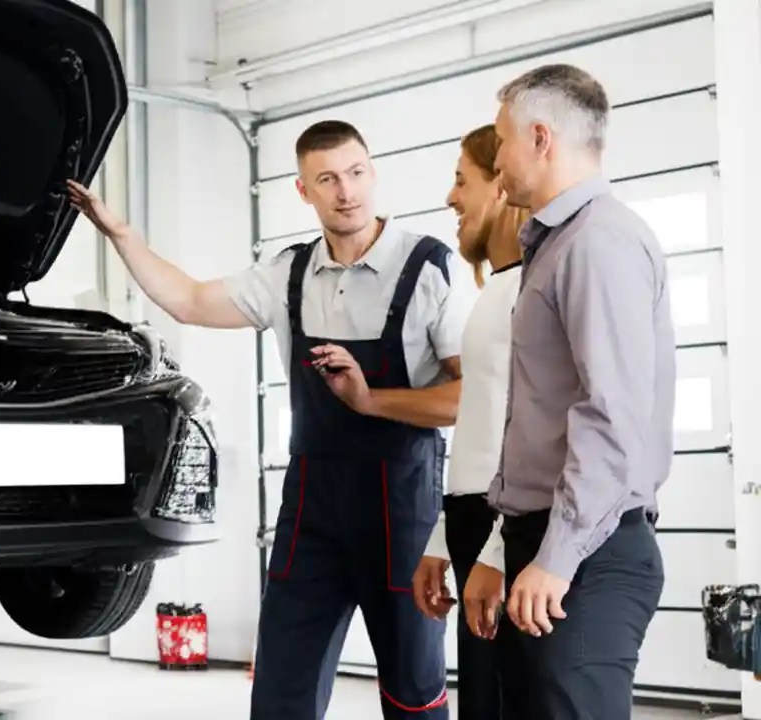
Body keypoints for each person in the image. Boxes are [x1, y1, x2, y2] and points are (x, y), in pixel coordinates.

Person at [68, 120, 472, 720]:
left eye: (357, 172)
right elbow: (191, 300)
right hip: (312, 505)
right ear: (304, 190)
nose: (347, 191)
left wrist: (372, 401)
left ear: (373, 171)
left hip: (402, 506)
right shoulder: (289, 273)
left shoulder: (428, 267)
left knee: (413, 688)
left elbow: (471, 398)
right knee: (282, 687)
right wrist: (123, 236)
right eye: (328, 179)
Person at [483, 63, 674, 719]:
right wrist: (504, 548)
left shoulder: (598, 241)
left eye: (501, 139)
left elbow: (611, 417)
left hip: (587, 552)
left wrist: (557, 558)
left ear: (540, 138)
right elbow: (540, 424)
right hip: (551, 542)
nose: (497, 157)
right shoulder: (559, 242)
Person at [410, 124, 529, 720]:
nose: (451, 197)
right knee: (482, 706)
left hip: (507, 527)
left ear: (502, 186)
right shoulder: (497, 293)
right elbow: (482, 426)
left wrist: (499, 550)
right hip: (474, 519)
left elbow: (537, 438)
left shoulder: (535, 291)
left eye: (463, 180)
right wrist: (442, 536)